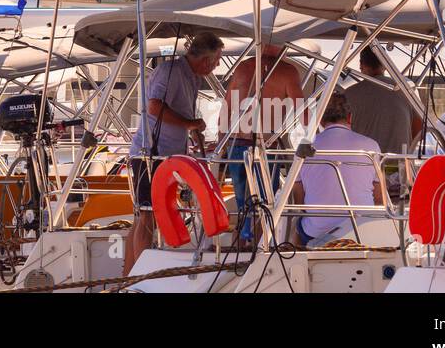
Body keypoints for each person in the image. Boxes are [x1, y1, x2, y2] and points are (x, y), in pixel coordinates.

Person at [123, 30, 224, 276]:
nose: (218, 65)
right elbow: (154, 107)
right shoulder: (171, 71)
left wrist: (193, 132)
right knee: (147, 216)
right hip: (150, 155)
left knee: (144, 217)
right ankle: (139, 277)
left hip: (167, 157)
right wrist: (190, 124)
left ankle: (127, 275)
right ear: (206, 60)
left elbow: (179, 115)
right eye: (218, 59)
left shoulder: (189, 76)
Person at [218, 44, 305, 246]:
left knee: (242, 209)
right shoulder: (286, 71)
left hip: (236, 145)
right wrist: (318, 138)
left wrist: (221, 144)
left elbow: (225, 109)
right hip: (265, 147)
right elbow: (303, 112)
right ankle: (258, 253)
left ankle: (237, 252)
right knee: (264, 206)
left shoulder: (242, 68)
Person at [289, 92, 383, 247]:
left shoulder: (304, 147)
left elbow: (299, 200)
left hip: (316, 232)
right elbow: (379, 198)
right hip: (360, 229)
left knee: (297, 225)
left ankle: (300, 263)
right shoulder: (371, 146)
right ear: (350, 117)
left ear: (320, 119)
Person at [343, 46, 417, 156]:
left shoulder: (349, 94)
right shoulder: (405, 91)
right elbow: (419, 128)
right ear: (385, 65)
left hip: (366, 162)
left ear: (361, 65)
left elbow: (340, 129)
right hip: (398, 162)